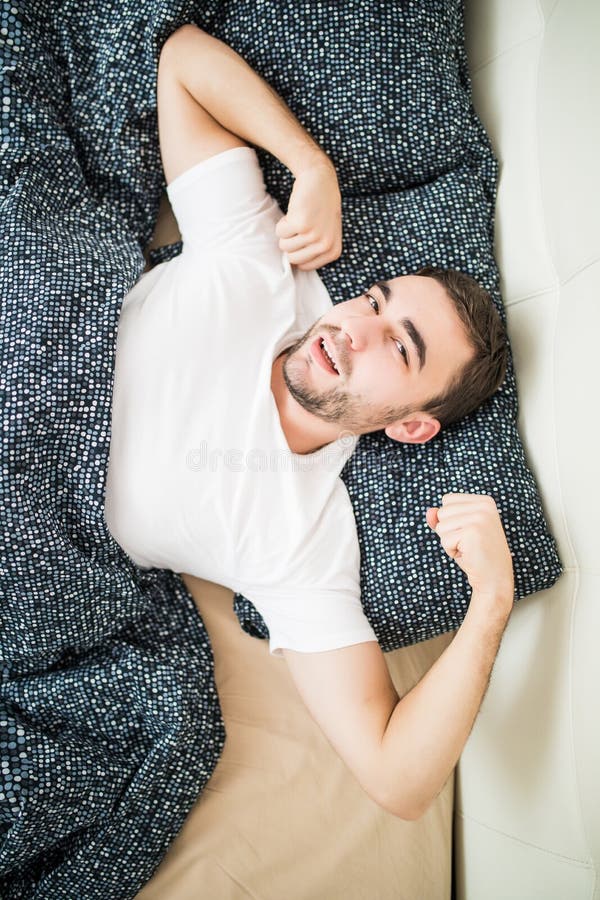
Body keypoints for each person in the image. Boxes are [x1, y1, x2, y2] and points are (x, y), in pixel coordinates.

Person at [103, 24, 513, 820]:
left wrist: (490, 599)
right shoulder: (260, 261)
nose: (351, 328)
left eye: (398, 346)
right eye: (375, 301)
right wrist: (307, 163)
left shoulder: (302, 546)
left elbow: (397, 780)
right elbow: (181, 59)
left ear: (411, 426)